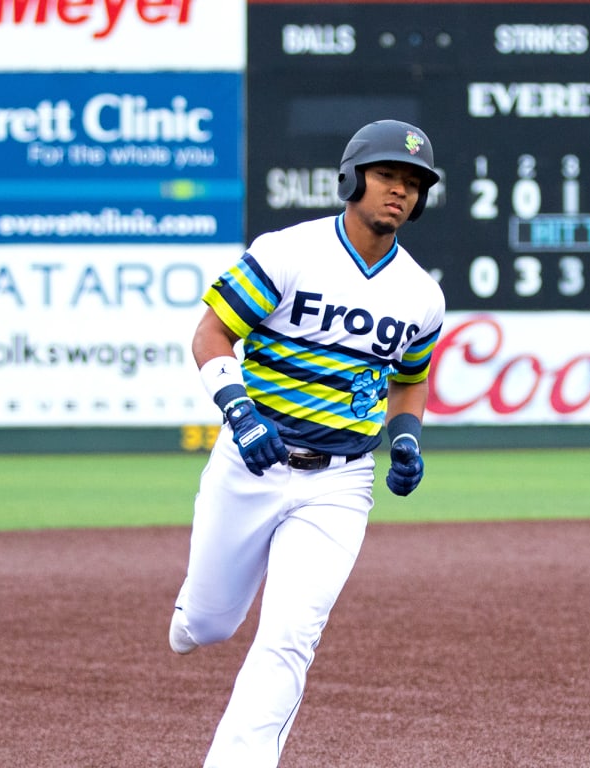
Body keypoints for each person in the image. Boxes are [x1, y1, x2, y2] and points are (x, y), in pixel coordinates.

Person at [167, 119, 444, 767]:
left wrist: (405, 440)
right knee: (210, 625)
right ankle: (191, 616)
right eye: (386, 176)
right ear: (352, 178)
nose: (398, 192)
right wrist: (240, 412)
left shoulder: (421, 297)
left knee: (292, 637)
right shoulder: (289, 252)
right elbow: (210, 335)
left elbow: (410, 382)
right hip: (250, 462)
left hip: (341, 482)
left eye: (412, 183)